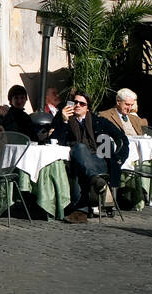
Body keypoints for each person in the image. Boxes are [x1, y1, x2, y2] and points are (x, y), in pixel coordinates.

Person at [52, 92, 128, 222]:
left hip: (98, 160)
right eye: (75, 102)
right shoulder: (63, 118)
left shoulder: (98, 120)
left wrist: (118, 159)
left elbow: (122, 139)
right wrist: (64, 121)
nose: (78, 105)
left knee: (80, 152)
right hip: (75, 161)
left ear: (88, 107)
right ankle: (94, 185)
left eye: (82, 103)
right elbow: (54, 141)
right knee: (79, 159)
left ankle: (80, 210)